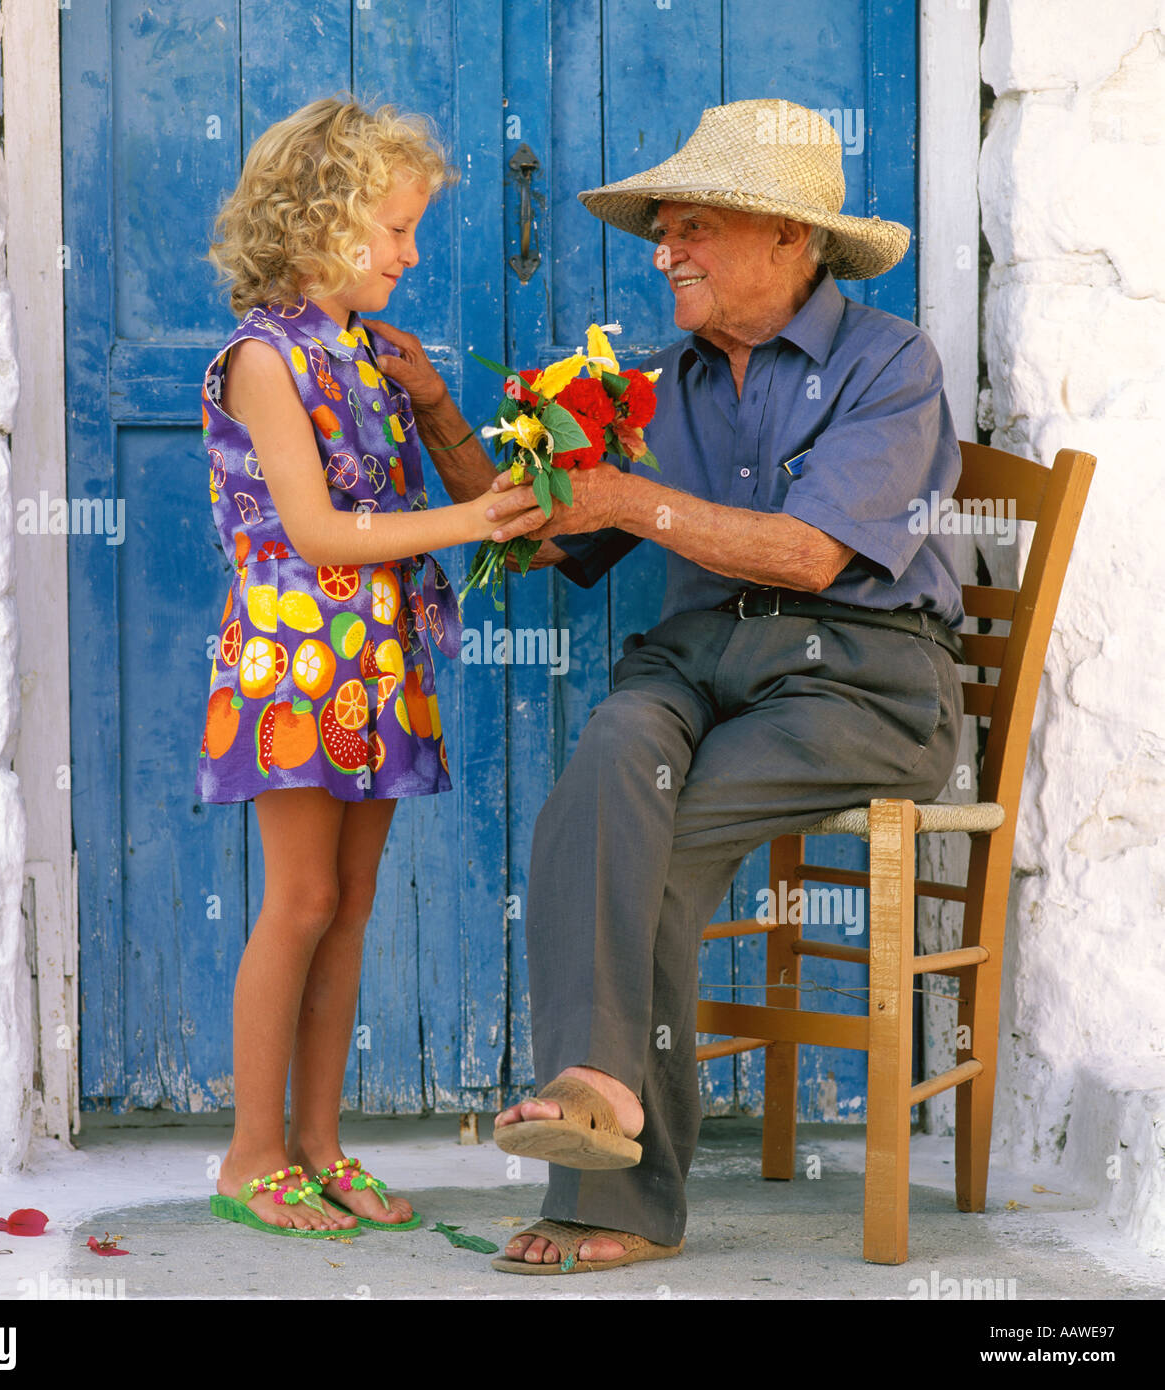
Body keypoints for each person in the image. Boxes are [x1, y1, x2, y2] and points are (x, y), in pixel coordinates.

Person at [382, 98, 966, 1274]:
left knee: (651, 845)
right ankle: (598, 1084)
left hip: (855, 678)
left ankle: (619, 1198)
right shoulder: (649, 383)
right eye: (661, 230)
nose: (664, 252)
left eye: (693, 226)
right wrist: (444, 414)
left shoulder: (889, 362)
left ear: (789, 239)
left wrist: (627, 500)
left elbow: (811, 554)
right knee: (608, 761)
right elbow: (546, 532)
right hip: (695, 663)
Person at [196, 96, 542, 1236]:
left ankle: (319, 1144)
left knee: (346, 906)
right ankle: (251, 1155)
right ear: (317, 224)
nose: (411, 252)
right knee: (296, 899)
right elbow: (319, 534)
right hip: (296, 666)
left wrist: (441, 417)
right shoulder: (260, 360)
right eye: (393, 231)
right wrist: (472, 522)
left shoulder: (365, 356)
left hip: (372, 664)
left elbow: (402, 498)